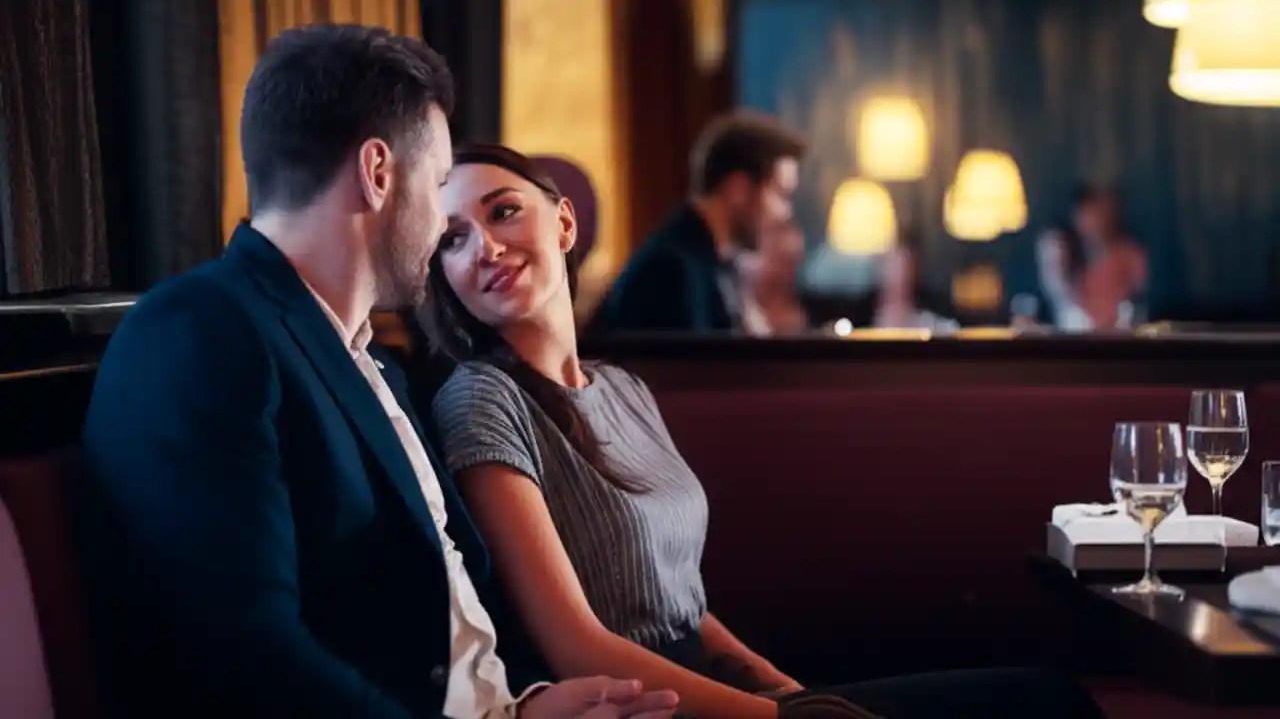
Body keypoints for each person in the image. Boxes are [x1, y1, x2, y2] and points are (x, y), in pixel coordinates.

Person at [76, 25, 677, 719]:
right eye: (440, 182)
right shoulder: (198, 331)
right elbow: (246, 656)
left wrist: (530, 703)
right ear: (379, 172)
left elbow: (444, 613)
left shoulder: (376, 365)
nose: (442, 219)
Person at [418, 143, 1107, 719]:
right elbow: (575, 647)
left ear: (563, 224)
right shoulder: (481, 398)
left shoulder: (623, 389)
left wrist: (785, 689)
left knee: (1046, 696)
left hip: (723, 693)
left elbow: (684, 610)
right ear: (443, 273)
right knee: (1040, 703)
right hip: (649, 707)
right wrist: (779, 717)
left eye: (503, 212)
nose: (484, 247)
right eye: (452, 239)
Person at [590, 112, 806, 334]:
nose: (785, 213)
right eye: (781, 194)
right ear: (738, 189)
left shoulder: (716, 266)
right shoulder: (671, 270)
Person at [1036, 186, 1147, 330]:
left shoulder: (1131, 255)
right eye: (1083, 215)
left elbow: (1139, 304)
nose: (1088, 222)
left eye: (1095, 213)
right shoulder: (1073, 259)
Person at [738, 221, 810, 336]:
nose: (785, 272)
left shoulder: (794, 316)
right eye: (780, 261)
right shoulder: (737, 281)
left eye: (791, 264)